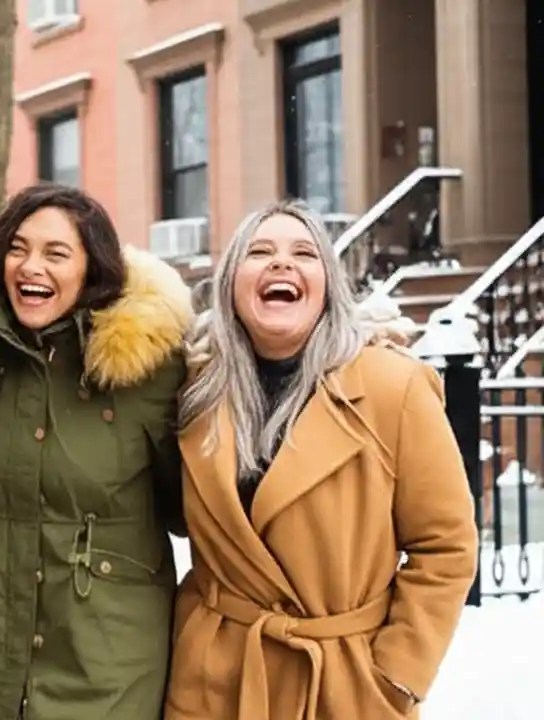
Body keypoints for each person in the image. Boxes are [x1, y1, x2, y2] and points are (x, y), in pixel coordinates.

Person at [164, 200, 478, 719]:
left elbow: (446, 544)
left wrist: (398, 672)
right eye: (259, 252)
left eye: (304, 253)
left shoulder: (391, 386)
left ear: (328, 285)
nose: (281, 264)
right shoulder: (197, 391)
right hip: (216, 683)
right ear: (230, 285)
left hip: (344, 686)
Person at [0, 184, 192, 719]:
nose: (30, 267)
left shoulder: (149, 368)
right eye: (18, 249)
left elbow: (190, 511)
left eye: (56, 253)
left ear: (92, 268)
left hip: (105, 665)